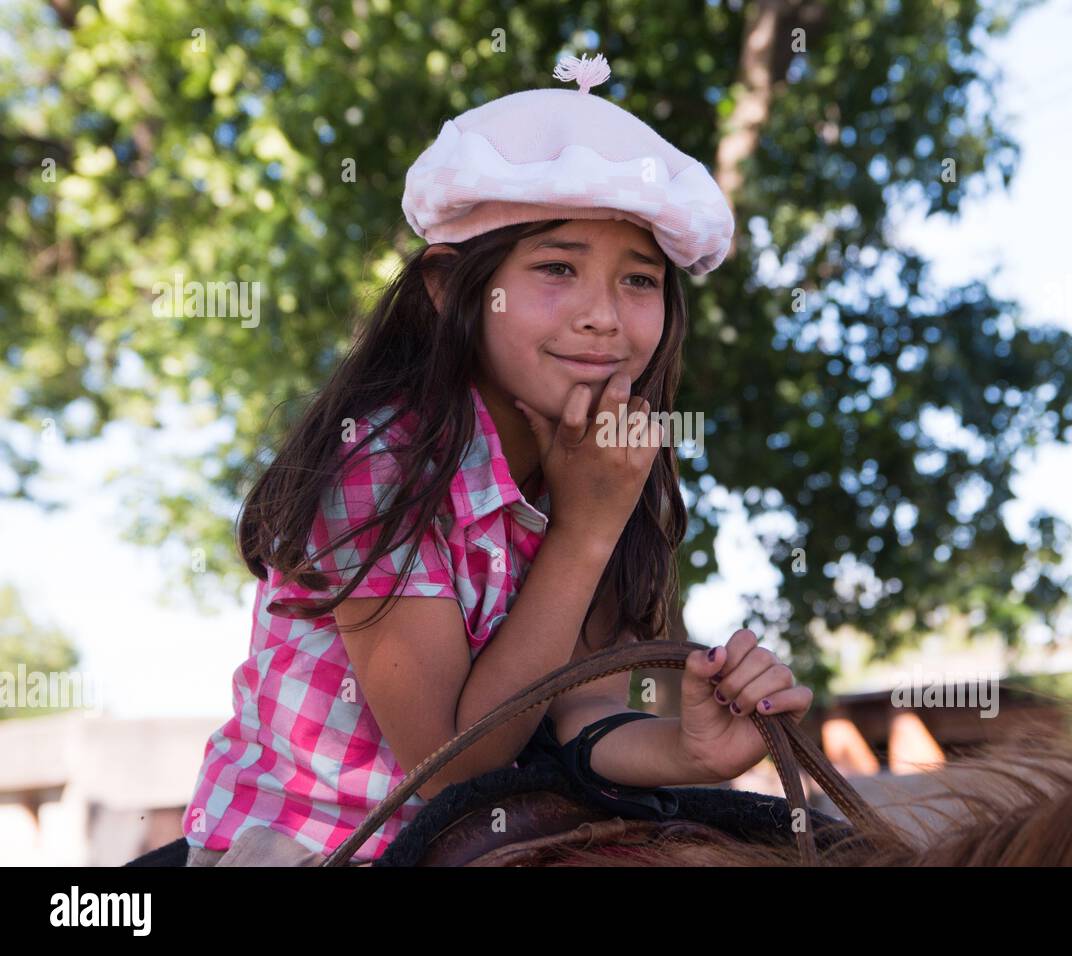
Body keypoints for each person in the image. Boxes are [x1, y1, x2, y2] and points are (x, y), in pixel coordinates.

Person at [182, 52, 813, 866]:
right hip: (311, 848)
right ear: (451, 289)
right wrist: (583, 533)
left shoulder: (595, 466)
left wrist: (689, 750)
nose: (602, 318)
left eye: (639, 281)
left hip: (491, 839)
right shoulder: (380, 466)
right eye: (556, 268)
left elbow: (577, 713)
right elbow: (452, 766)